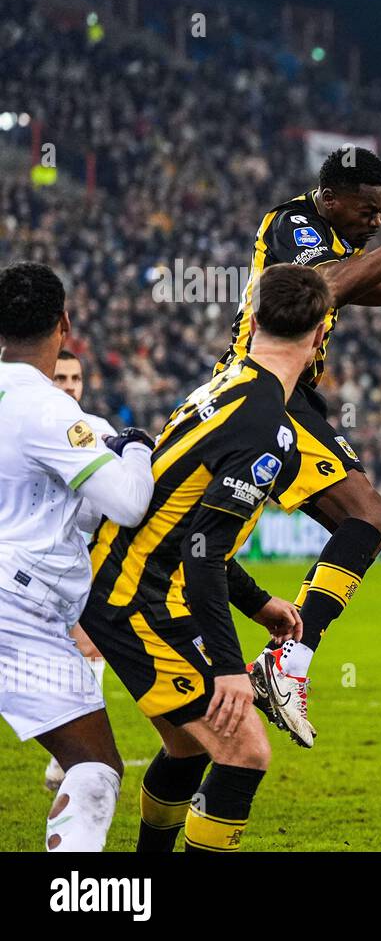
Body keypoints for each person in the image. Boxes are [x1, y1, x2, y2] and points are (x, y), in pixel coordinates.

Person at [212, 146, 381, 744]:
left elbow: (349, 282)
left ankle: (285, 656)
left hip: (290, 391)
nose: (375, 222)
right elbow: (330, 285)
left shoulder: (333, 233)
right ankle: (284, 658)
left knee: (365, 518)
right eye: (367, 211)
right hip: (260, 385)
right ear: (331, 198)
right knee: (363, 515)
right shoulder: (290, 223)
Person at [81, 264, 325, 852]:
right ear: (320, 336)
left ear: (254, 320)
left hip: (123, 578)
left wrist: (259, 601)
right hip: (134, 597)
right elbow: (203, 555)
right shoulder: (266, 424)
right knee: (244, 752)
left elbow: (187, 529)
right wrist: (229, 666)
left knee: (189, 746)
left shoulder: (224, 384)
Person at [0, 261, 155, 850]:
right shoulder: (47, 407)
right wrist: (136, 449)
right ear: (65, 323)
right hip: (17, 610)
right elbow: (128, 503)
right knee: (94, 770)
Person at [40, 349, 116, 791]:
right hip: (26, 562)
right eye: (60, 377)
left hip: (78, 561)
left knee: (88, 650)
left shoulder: (100, 432)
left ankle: (68, 759)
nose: (69, 385)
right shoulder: (24, 427)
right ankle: (66, 755)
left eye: (75, 377)